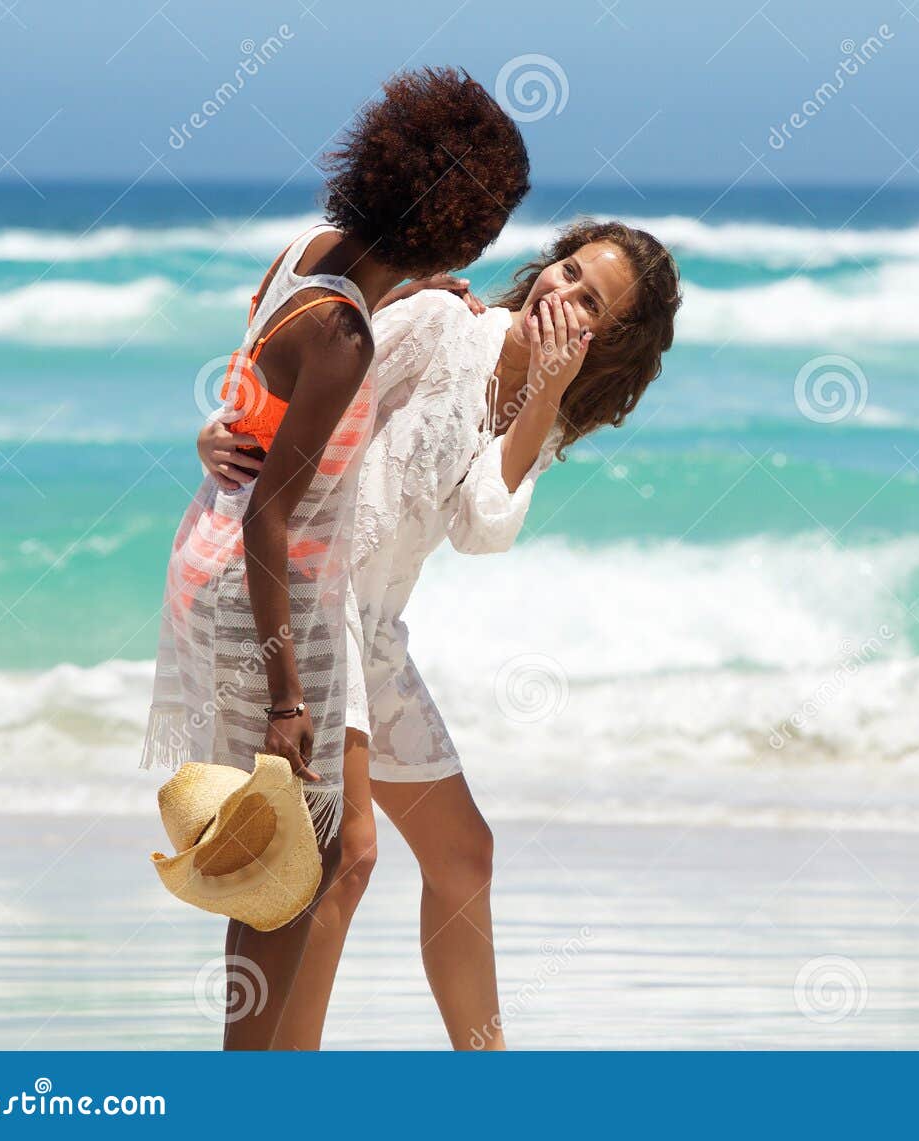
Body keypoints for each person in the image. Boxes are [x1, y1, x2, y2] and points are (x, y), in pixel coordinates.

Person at [197, 220, 682, 1047]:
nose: (557, 293)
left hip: (372, 625)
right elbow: (306, 364)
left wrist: (548, 395)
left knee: (464, 854)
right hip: (311, 597)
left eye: (587, 300)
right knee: (343, 859)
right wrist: (220, 427)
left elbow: (482, 526)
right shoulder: (440, 324)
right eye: (564, 270)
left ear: (607, 341)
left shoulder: (543, 407)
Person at [144, 67, 532, 1050]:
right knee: (289, 867)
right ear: (457, 227)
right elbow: (272, 519)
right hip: (263, 594)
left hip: (211, 559)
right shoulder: (346, 336)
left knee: (288, 853)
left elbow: (254, 377)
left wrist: (223, 429)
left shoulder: (309, 257)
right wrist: (285, 695)